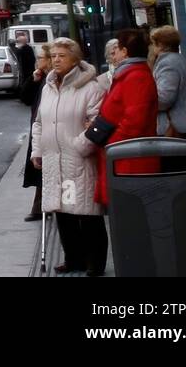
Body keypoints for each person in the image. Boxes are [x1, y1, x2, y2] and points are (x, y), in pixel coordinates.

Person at [31, 37, 106, 276]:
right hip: (54, 158)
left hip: (78, 159)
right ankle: (74, 258)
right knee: (63, 211)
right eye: (53, 56)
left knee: (85, 211)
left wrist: (80, 146)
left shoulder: (90, 87)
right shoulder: (48, 86)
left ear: (75, 58)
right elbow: (39, 122)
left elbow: (96, 122)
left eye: (61, 56)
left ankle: (95, 262)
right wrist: (37, 150)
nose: (56, 60)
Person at [94, 28, 161, 211]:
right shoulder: (128, 74)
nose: (113, 56)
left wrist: (111, 143)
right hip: (124, 155)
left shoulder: (135, 77)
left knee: (130, 214)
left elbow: (134, 122)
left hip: (129, 158)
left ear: (125, 51)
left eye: (117, 50)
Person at [149, 25, 186, 169]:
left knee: (177, 174)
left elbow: (165, 98)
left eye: (154, 43)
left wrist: (147, 102)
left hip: (177, 129)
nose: (152, 47)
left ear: (161, 45)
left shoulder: (167, 64)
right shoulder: (179, 59)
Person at [19, 43, 52, 222]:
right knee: (40, 169)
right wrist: (33, 79)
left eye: (40, 58)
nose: (37, 60)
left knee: (45, 170)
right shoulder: (41, 77)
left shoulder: (53, 79)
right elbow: (24, 98)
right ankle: (40, 207)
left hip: (47, 129)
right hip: (38, 127)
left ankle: (41, 207)